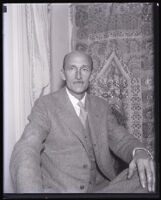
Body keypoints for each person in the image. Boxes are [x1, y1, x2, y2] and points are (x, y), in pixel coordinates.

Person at [10, 51, 155, 193]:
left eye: (84, 69)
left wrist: (140, 151)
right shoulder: (45, 105)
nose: (78, 75)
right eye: (72, 68)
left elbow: (121, 139)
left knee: (150, 172)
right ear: (63, 74)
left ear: (91, 75)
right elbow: (27, 147)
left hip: (105, 188)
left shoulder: (101, 106)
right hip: (63, 190)